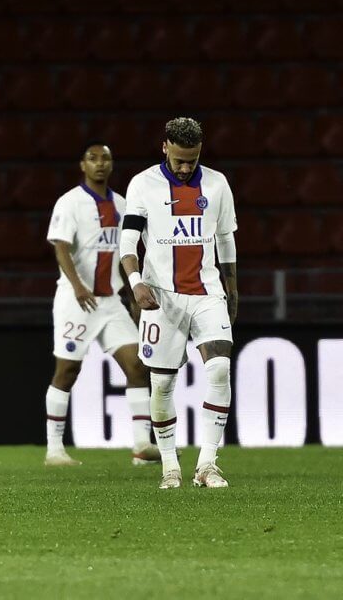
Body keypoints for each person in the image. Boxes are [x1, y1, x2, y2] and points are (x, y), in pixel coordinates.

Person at [119, 118, 238, 490]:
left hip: (206, 292)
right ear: (165, 147)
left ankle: (207, 464)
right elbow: (128, 242)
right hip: (160, 297)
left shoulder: (217, 183)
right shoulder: (142, 184)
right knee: (163, 384)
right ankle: (170, 466)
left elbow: (225, 239)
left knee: (219, 369)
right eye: (180, 160)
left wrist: (232, 287)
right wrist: (136, 283)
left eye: (193, 160)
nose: (186, 168)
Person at [45, 143, 160, 467]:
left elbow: (127, 251)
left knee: (138, 365)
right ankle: (55, 450)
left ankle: (141, 446)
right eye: (93, 158)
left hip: (110, 301)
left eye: (105, 158)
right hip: (76, 300)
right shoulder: (70, 203)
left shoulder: (123, 205)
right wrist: (79, 286)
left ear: (112, 164)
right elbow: (61, 249)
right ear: (82, 165)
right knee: (67, 371)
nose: (99, 164)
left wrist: (133, 294)